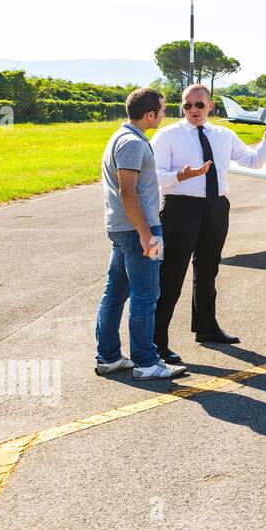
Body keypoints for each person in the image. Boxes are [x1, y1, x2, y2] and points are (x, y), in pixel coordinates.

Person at [150, 84, 266, 362]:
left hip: (216, 207)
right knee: (172, 274)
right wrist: (183, 175)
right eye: (187, 105)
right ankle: (157, 342)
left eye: (199, 105)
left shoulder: (224, 135)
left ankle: (206, 328)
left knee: (208, 268)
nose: (193, 111)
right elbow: (155, 175)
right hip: (180, 207)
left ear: (210, 106)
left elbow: (254, 161)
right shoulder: (168, 135)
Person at [95, 88, 188, 380]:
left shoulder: (121, 137)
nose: (164, 113)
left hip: (122, 228)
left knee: (116, 293)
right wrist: (145, 233)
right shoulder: (132, 143)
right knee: (145, 296)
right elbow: (127, 191)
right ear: (150, 115)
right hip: (136, 229)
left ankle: (109, 357)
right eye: (162, 109)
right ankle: (146, 362)